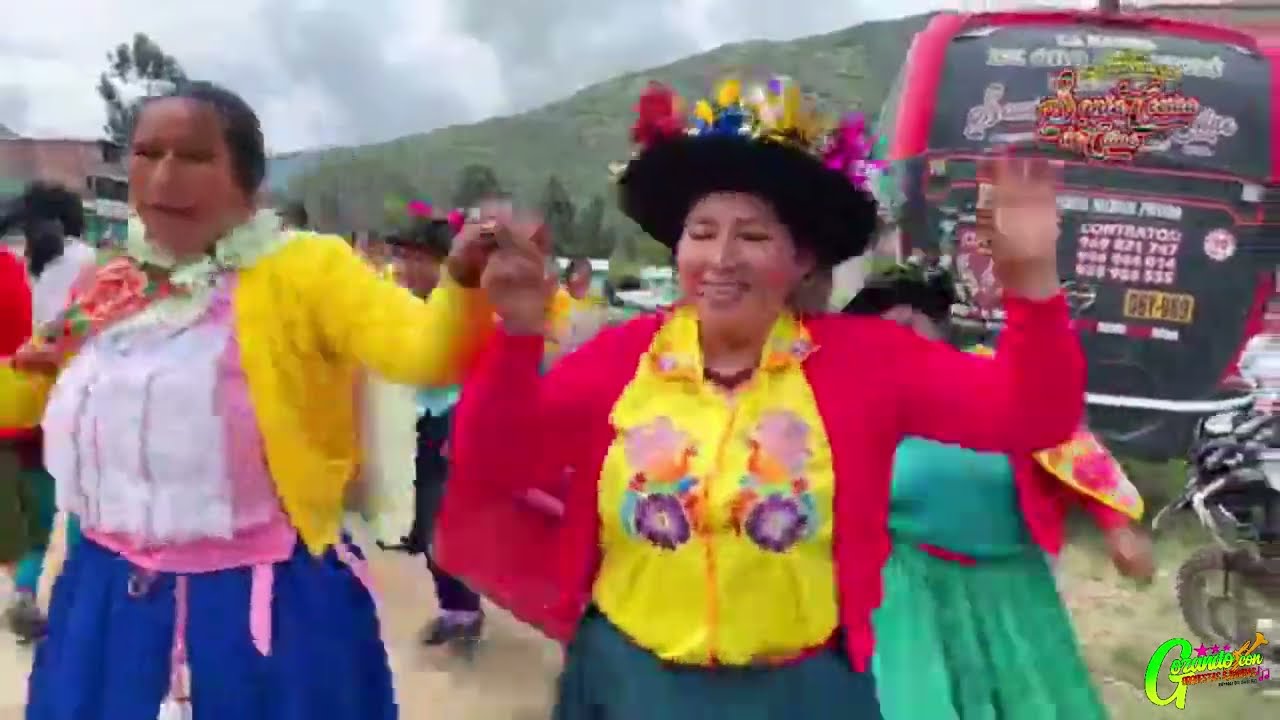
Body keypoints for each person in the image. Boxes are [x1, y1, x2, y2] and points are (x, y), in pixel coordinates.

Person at [434, 78, 1086, 718]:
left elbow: (1033, 415)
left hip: (798, 696)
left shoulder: (867, 363)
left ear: (801, 260)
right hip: (627, 686)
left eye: (751, 236)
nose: (720, 258)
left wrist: (1032, 283)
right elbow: (497, 460)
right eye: (701, 232)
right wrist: (517, 334)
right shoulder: (621, 359)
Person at [1, 80, 495, 720]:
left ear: (248, 180)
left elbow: (425, 353)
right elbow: (26, 389)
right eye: (148, 154)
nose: (164, 177)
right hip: (105, 603)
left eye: (194, 157)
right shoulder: (112, 285)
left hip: (262, 606)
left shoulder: (307, 271)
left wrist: (463, 284)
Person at [844, 259, 1152, 719]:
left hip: (1011, 583)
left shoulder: (994, 378)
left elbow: (1073, 449)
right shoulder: (862, 394)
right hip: (906, 584)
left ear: (934, 324)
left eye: (906, 326)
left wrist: (1117, 527)